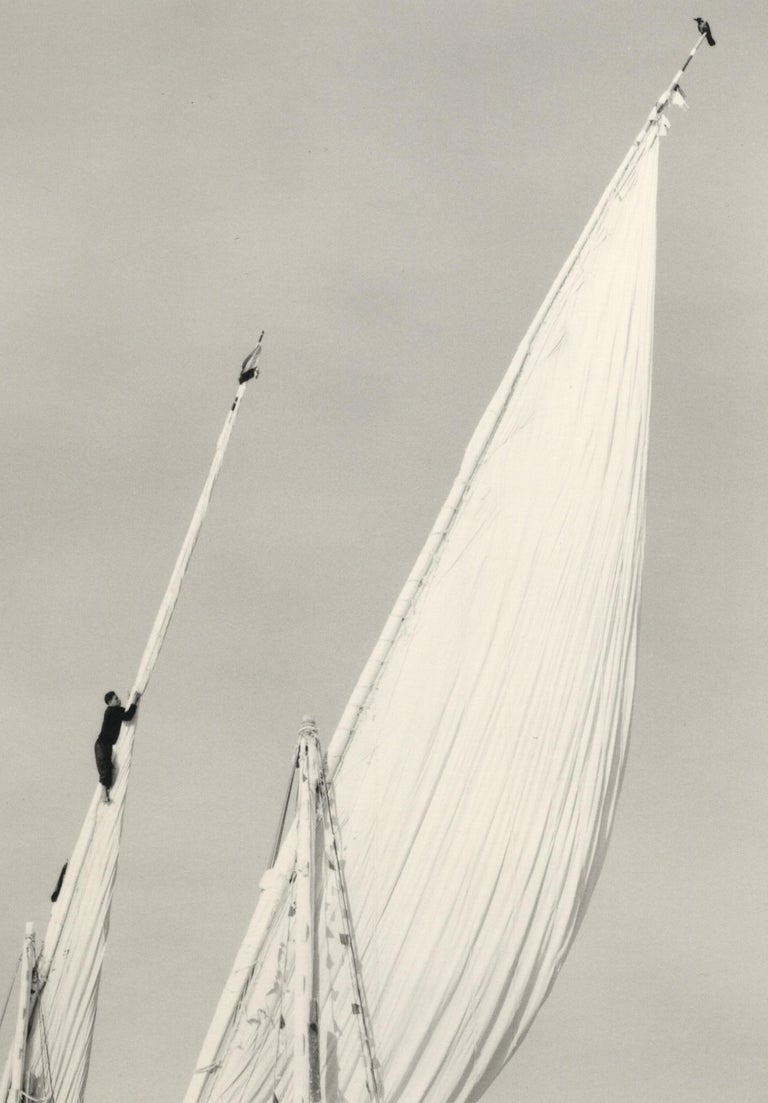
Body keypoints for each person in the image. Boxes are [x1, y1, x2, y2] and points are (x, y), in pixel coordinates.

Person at [95, 690, 141, 803]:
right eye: (116, 699)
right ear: (110, 702)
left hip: (105, 745)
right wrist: (134, 702)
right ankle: (103, 795)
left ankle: (105, 794)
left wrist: (131, 700)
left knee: (108, 768)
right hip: (102, 745)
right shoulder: (111, 711)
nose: (118, 700)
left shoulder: (115, 710)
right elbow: (128, 715)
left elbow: (126, 712)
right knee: (105, 768)